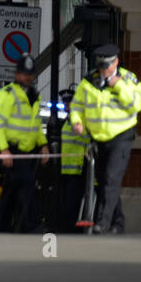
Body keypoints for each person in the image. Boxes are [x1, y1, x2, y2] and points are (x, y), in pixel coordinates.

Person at [70, 43, 141, 234]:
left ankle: (102, 223)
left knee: (112, 179)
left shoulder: (128, 79)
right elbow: (77, 105)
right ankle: (118, 223)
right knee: (105, 181)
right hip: (98, 139)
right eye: (101, 66)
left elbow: (138, 103)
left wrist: (118, 85)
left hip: (121, 136)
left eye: (107, 66)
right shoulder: (89, 81)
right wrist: (76, 121)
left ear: (116, 62)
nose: (103, 70)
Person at [0, 55, 46, 233]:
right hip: (12, 150)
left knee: (11, 192)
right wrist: (4, 150)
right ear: (16, 74)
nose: (27, 77)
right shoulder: (7, 94)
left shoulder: (34, 96)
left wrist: (43, 145)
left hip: (28, 151)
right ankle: (33, 225)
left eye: (30, 74)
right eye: (23, 73)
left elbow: (36, 125)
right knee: (28, 183)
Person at [59, 85, 89, 231]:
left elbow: (86, 141)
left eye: (68, 102)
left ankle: (70, 230)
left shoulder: (79, 120)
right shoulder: (67, 120)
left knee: (72, 204)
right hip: (66, 171)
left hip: (76, 171)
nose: (66, 105)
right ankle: (66, 228)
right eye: (65, 102)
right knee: (66, 203)